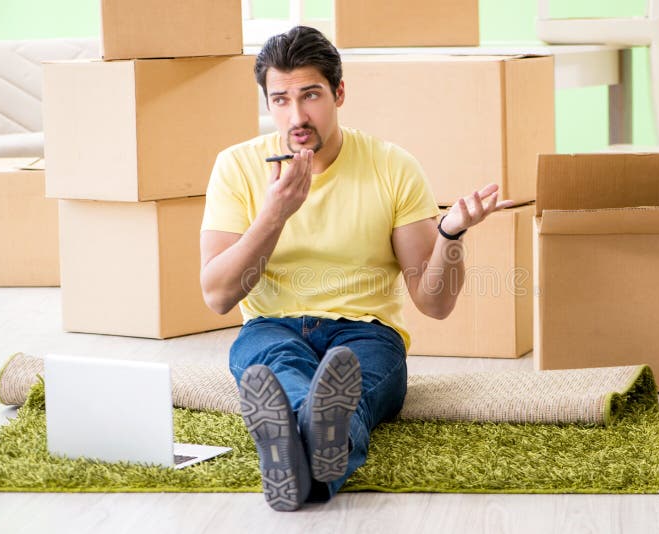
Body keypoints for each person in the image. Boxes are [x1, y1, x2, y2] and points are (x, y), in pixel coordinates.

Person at [199, 26, 513, 511]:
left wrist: (450, 234)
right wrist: (274, 213)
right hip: (271, 325)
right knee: (278, 366)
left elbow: (435, 303)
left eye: (310, 95)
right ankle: (317, 460)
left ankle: (294, 449)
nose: (296, 116)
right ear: (266, 101)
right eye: (280, 100)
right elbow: (218, 295)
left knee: (355, 385)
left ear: (339, 92)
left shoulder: (392, 166)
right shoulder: (237, 167)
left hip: (366, 333)